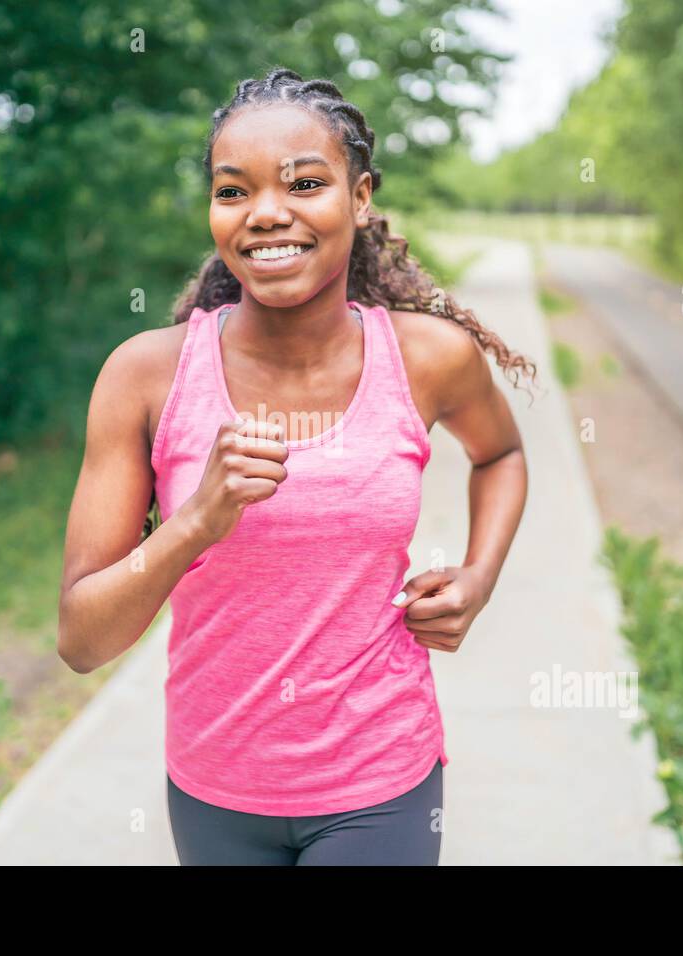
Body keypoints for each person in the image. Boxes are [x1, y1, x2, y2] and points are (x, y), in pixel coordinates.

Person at [57, 67, 535, 865]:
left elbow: (503, 454)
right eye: (232, 191)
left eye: (305, 183)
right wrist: (197, 522)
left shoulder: (427, 358)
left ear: (361, 196)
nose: (267, 213)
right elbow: (81, 637)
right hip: (214, 788)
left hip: (379, 782)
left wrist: (480, 576)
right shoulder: (145, 376)